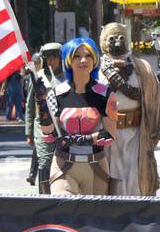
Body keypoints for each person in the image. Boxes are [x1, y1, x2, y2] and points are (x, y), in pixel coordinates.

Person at [93, 22, 160, 195]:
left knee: (136, 181)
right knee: (108, 181)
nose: (117, 42)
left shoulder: (143, 68)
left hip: (137, 134)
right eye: (112, 39)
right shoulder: (95, 70)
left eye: (121, 37)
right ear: (104, 42)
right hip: (106, 136)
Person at [40, 36, 115, 195]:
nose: (83, 60)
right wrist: (41, 103)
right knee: (64, 214)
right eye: (77, 56)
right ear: (68, 60)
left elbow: (110, 134)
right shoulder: (56, 94)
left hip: (96, 167)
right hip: (63, 165)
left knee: (95, 218)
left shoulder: (105, 93)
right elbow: (49, 133)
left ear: (95, 59)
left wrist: (79, 139)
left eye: (88, 55)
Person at [24, 42, 62, 191]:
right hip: (42, 126)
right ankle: (44, 198)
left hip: (62, 126)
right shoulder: (38, 78)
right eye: (48, 58)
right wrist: (29, 132)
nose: (52, 61)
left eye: (55, 58)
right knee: (45, 162)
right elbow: (30, 105)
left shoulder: (69, 77)